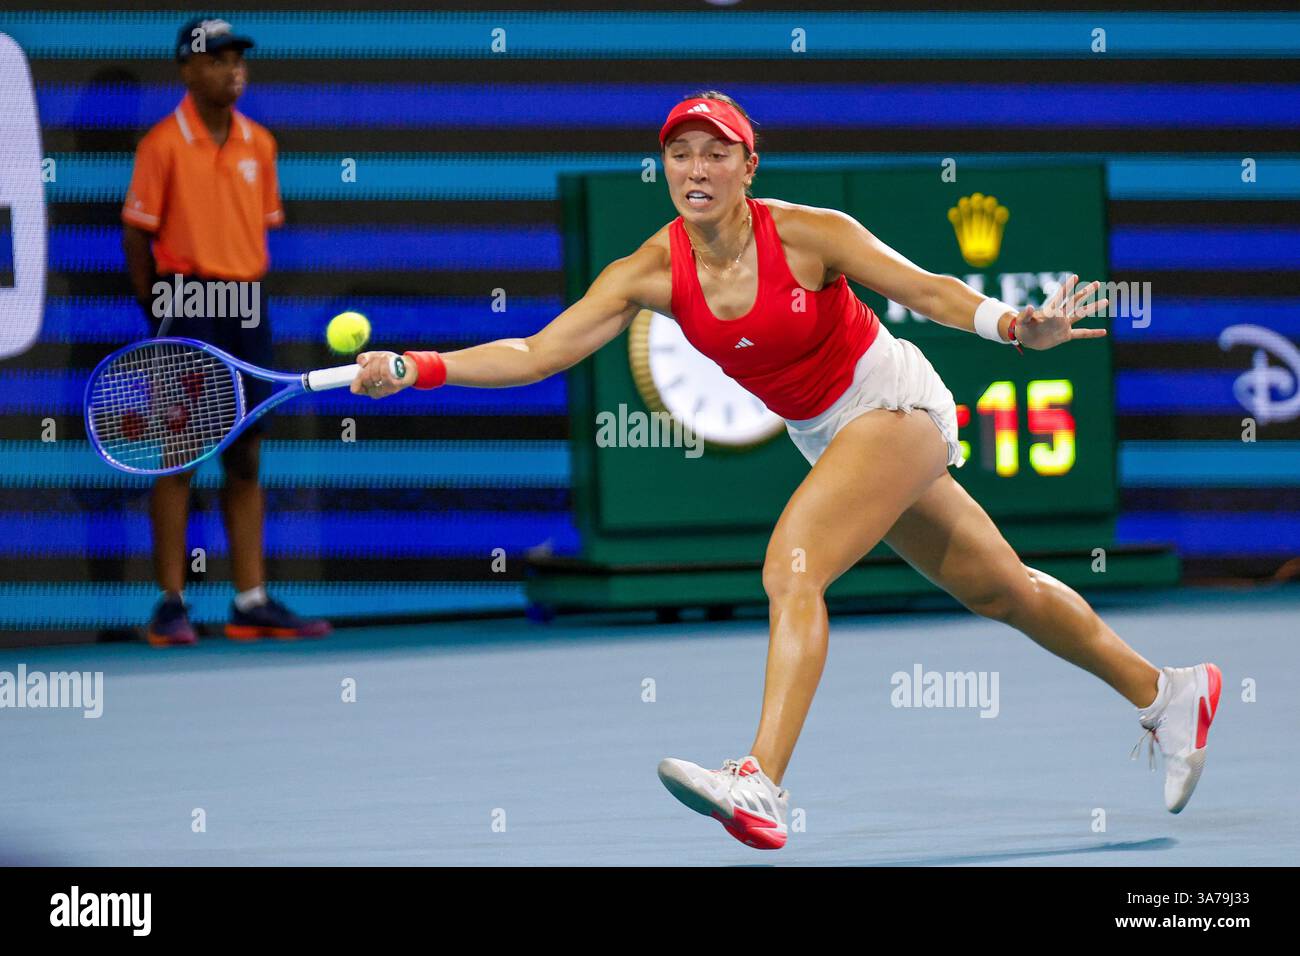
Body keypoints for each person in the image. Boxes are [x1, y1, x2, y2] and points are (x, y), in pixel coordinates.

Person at [351, 91, 1221, 849]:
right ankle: (1167, 690)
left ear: (747, 165)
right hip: (826, 431)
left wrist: (1012, 329)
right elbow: (538, 352)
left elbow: (925, 290)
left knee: (790, 566)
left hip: (893, 404)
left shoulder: (810, 234)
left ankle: (761, 780)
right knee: (1003, 592)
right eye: (679, 153)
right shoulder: (645, 270)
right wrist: (421, 365)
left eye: (715, 152)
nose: (695, 167)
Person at [121, 18, 330, 645]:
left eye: (239, 59)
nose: (233, 69)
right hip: (185, 301)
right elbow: (136, 234)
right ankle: (170, 604)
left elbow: (259, 228)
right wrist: (158, 305)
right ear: (188, 69)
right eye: (218, 59)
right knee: (179, 454)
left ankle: (250, 599)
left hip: (245, 304)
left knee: (246, 456)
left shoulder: (259, 144)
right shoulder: (161, 144)